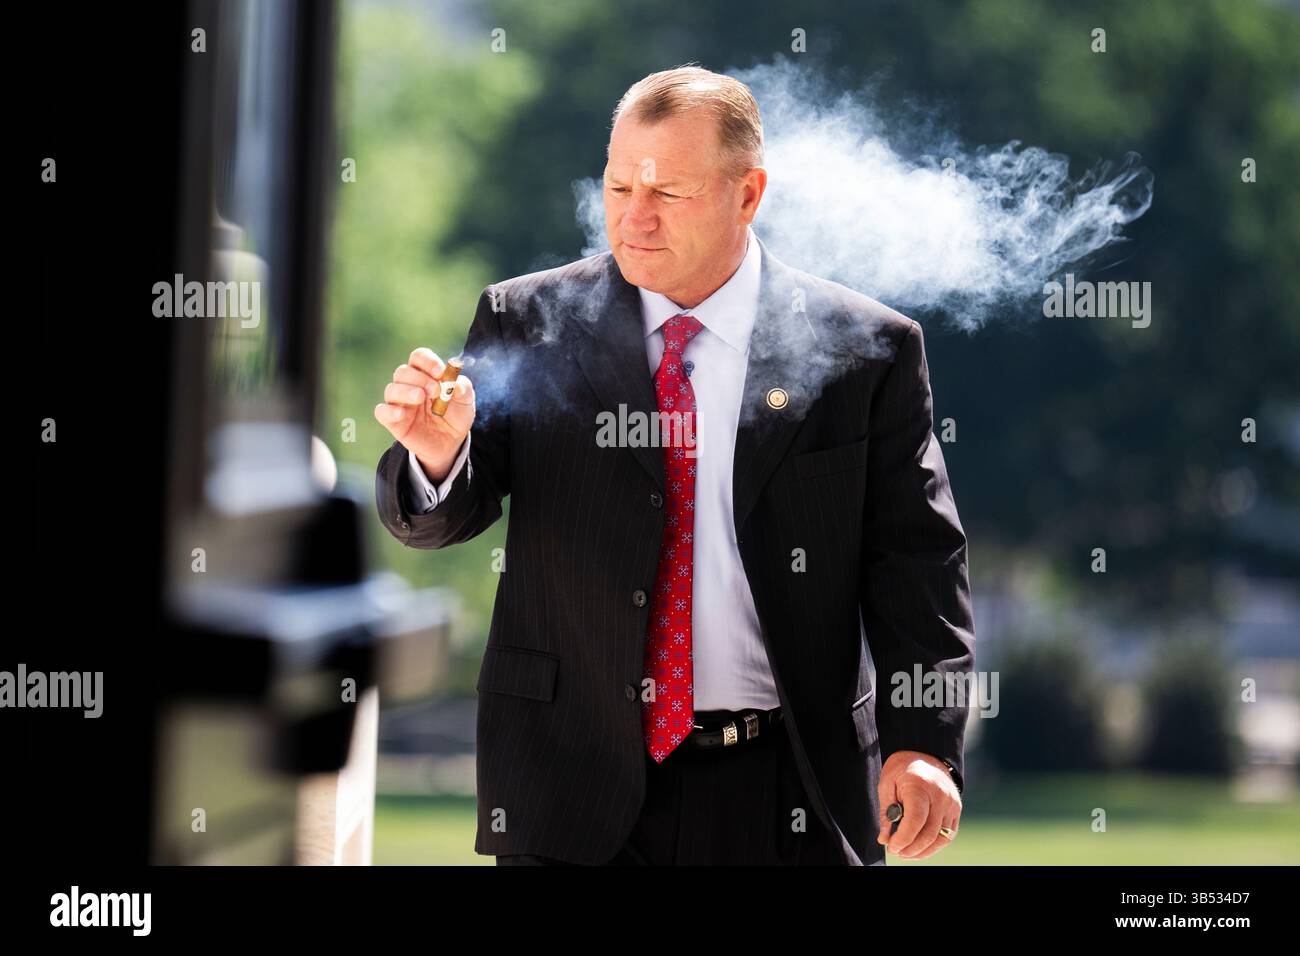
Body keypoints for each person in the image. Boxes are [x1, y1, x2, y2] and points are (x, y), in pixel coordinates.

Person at [373, 65, 974, 865]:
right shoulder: (526, 320)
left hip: (787, 790)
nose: (635, 220)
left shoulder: (868, 350)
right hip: (571, 790)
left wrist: (923, 741)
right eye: (619, 188)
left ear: (747, 194)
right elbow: (445, 513)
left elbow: (916, 561)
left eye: (669, 193)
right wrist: (441, 455)